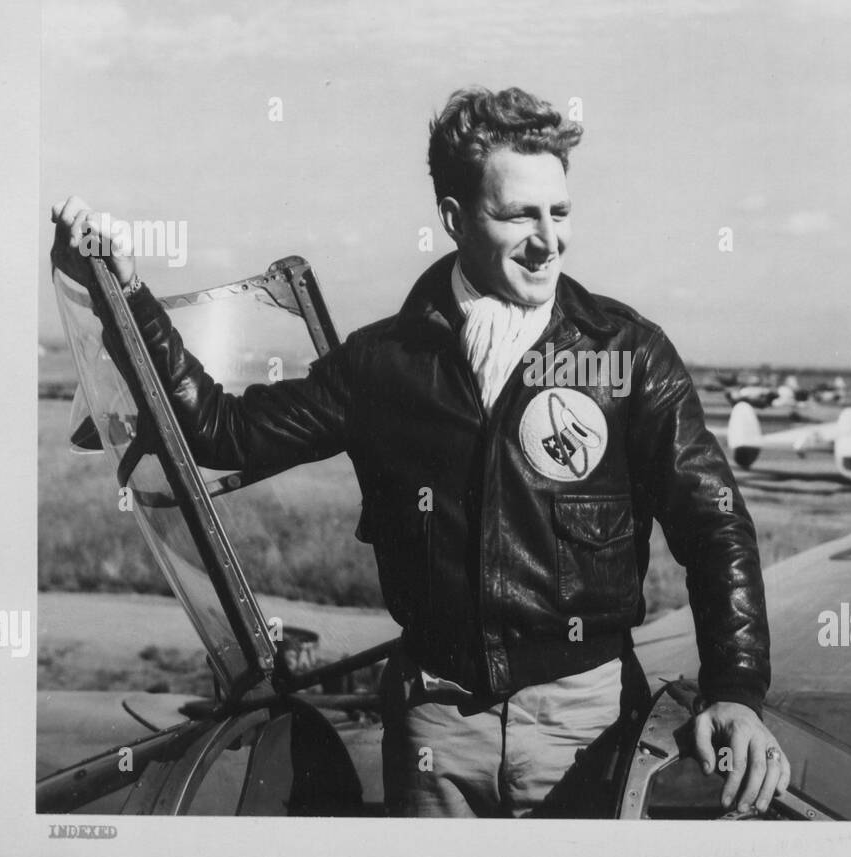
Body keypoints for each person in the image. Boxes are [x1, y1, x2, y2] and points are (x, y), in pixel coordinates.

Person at [51, 85, 788, 817]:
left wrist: (737, 691)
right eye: (517, 215)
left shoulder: (629, 353)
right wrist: (128, 294)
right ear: (455, 219)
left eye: (559, 212)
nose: (549, 240)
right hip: (435, 727)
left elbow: (714, 522)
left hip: (588, 726)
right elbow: (220, 432)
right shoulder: (382, 364)